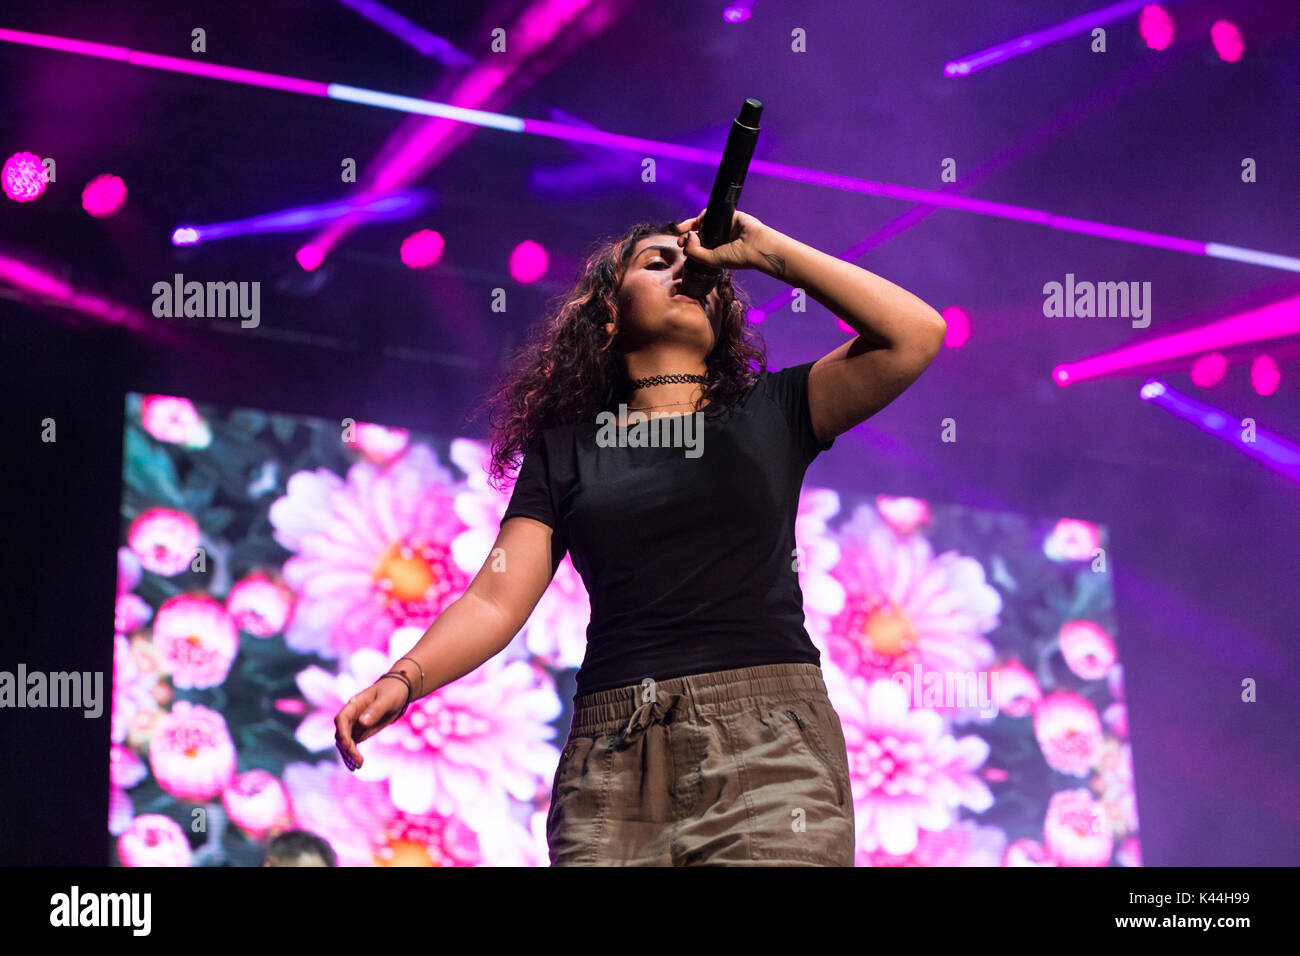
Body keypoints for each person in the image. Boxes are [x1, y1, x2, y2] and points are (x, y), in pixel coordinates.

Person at [335, 208, 947, 865]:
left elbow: (913, 334)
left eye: (704, 274)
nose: (686, 272)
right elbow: (494, 599)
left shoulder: (773, 411)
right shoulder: (565, 453)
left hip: (769, 746)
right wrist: (405, 678)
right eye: (659, 262)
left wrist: (767, 250)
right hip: (614, 758)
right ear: (606, 316)